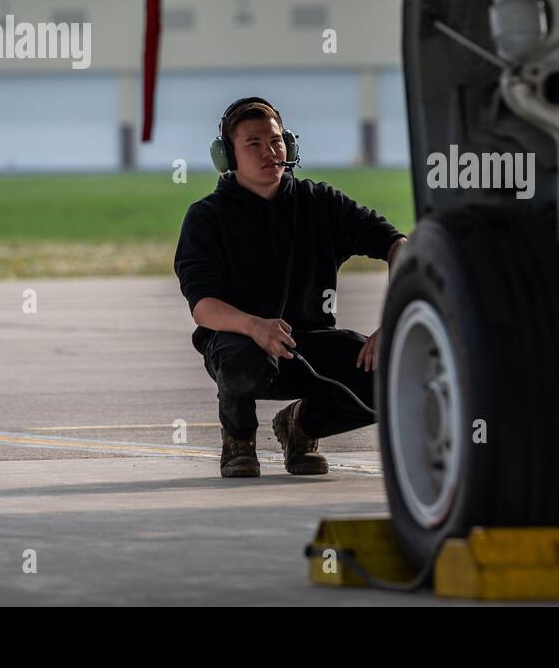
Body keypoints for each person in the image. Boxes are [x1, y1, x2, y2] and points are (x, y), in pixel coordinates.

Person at [174, 97, 406, 478]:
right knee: (241, 360)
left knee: (393, 377)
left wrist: (394, 318)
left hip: (309, 344)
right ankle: (238, 440)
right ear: (228, 156)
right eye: (254, 144)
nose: (270, 152)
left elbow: (398, 246)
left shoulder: (321, 203)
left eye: (277, 141)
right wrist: (254, 326)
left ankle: (301, 427)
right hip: (240, 343)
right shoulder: (207, 217)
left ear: (290, 145)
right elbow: (203, 306)